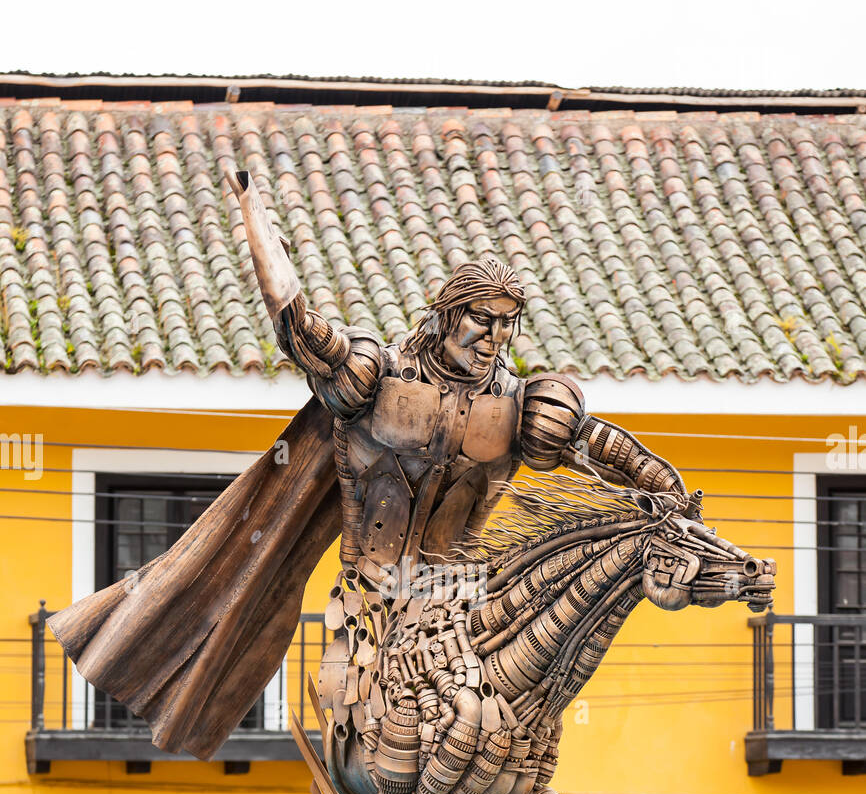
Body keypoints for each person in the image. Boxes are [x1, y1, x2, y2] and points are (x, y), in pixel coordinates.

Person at [49, 170, 685, 761]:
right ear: (445, 316)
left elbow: (596, 443)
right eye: (479, 319)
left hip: (460, 602)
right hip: (371, 602)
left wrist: (664, 484)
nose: (492, 336)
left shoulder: (521, 408)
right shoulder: (374, 380)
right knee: (378, 747)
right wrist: (252, 210)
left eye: (506, 324)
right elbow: (296, 321)